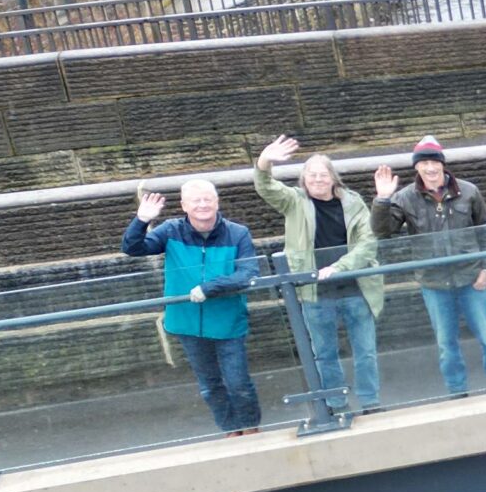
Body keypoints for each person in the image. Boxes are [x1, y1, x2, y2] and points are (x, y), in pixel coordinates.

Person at [255, 135, 385, 412]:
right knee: (324, 354)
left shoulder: (353, 202)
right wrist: (265, 160)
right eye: (311, 175)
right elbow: (265, 186)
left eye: (322, 174)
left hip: (354, 287)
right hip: (314, 291)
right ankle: (336, 404)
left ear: (333, 178)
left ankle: (370, 402)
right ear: (304, 179)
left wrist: (340, 267)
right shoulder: (294, 201)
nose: (317, 179)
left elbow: (368, 243)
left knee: (365, 352)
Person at [123, 177, 262, 433]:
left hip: (227, 321)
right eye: (196, 200)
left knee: (238, 382)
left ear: (217, 202)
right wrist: (141, 220)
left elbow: (248, 274)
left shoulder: (238, 233)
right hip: (187, 322)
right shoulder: (170, 230)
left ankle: (251, 427)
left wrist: (209, 288)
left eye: (207, 199)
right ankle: (231, 429)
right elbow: (133, 248)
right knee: (210, 385)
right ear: (184, 205)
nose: (202, 205)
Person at [372, 138, 486, 396]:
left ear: (443, 165)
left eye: (434, 162)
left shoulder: (469, 191)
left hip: (472, 279)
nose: (430, 168)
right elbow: (383, 232)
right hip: (434, 283)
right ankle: (457, 393)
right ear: (417, 167)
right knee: (446, 345)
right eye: (424, 163)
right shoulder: (404, 198)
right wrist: (382, 199)